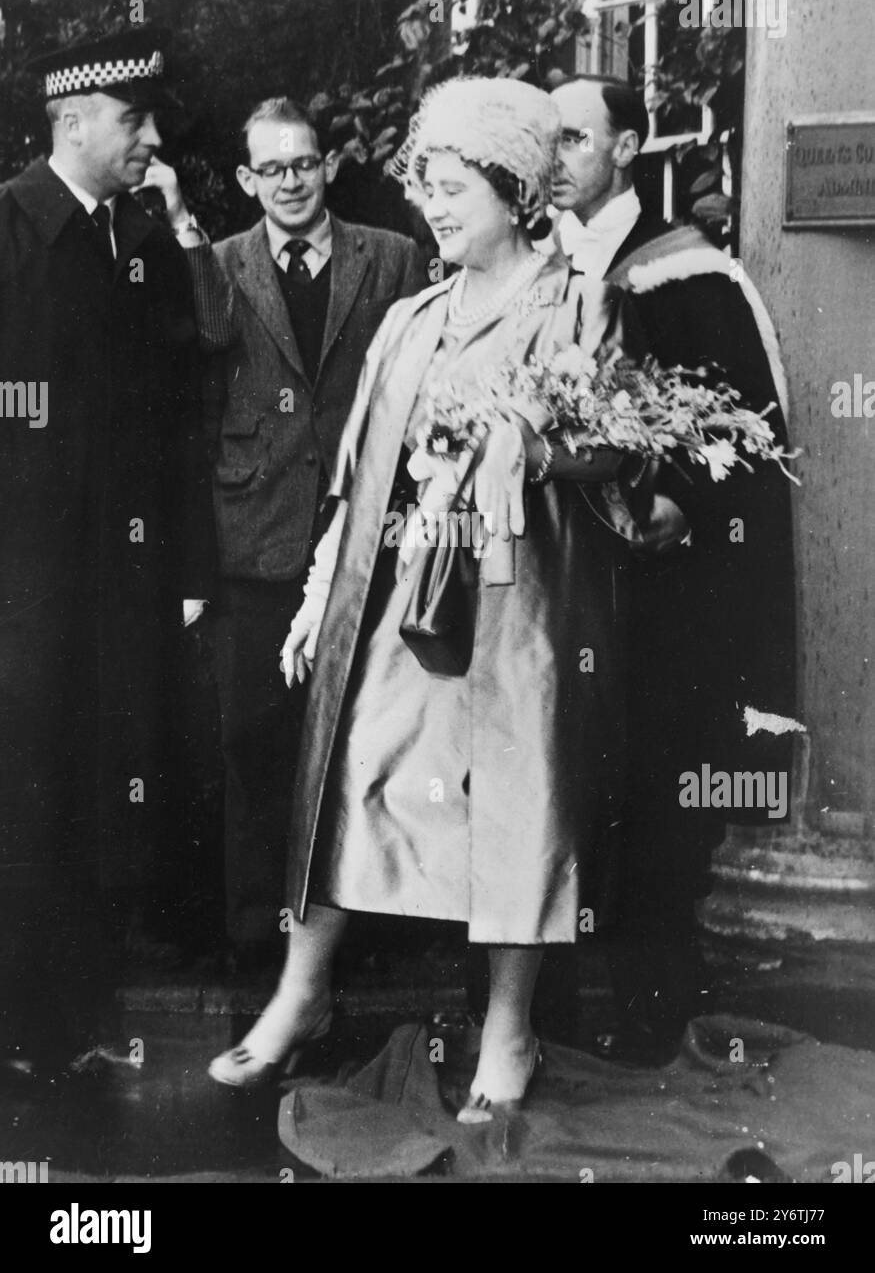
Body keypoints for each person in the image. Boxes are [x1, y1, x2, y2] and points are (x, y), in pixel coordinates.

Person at [206, 76, 643, 1119]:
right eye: (423, 189)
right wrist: (319, 591)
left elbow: (622, 446)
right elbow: (360, 477)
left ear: (513, 192)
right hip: (410, 600)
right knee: (352, 775)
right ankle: (299, 997)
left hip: (521, 606)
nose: (431, 209)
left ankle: (507, 1031)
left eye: (452, 190)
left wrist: (537, 447)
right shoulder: (416, 314)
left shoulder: (577, 301)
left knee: (514, 804)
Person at [548, 74, 797, 1065]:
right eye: (545, 141)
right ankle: (554, 1014)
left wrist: (674, 503)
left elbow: (740, 433)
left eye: (572, 138)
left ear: (625, 148)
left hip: (663, 593)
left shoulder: (686, 277)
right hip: (562, 584)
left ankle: (647, 1013)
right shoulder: (540, 266)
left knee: (656, 790)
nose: (553, 156)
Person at [142, 99, 423, 969]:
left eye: (305, 163)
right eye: (273, 169)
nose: (292, 181)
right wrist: (183, 231)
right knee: (254, 744)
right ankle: (257, 942)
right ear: (247, 180)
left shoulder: (394, 257)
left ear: (328, 167)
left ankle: (363, 939)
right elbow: (200, 355)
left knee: (363, 745)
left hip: (362, 534)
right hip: (253, 540)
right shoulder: (215, 264)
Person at [0, 27, 216, 1083]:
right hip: (22, 582)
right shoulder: (8, 231)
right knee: (21, 786)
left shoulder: (138, 240)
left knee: (97, 784)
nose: (152, 139)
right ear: (74, 122)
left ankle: (74, 1022)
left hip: (116, 579)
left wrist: (178, 573)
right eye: (135, 121)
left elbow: (178, 409)